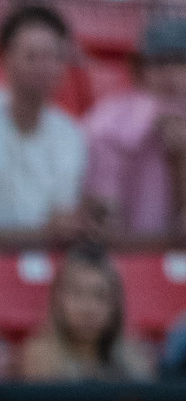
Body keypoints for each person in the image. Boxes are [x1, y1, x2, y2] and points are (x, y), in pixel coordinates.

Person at [21, 247, 153, 401]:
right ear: (58, 298)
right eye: (77, 293)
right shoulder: (40, 354)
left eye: (99, 296)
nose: (88, 307)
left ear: (115, 306)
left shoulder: (133, 358)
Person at [0, 4, 88, 239]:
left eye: (54, 57)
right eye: (32, 56)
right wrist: (43, 234)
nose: (44, 67)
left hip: (46, 256)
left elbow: (63, 219)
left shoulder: (71, 134)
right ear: (3, 58)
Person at [83, 16, 186, 239]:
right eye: (160, 62)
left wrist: (180, 160)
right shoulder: (107, 122)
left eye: (180, 61)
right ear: (139, 68)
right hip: (126, 250)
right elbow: (103, 220)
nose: (171, 73)